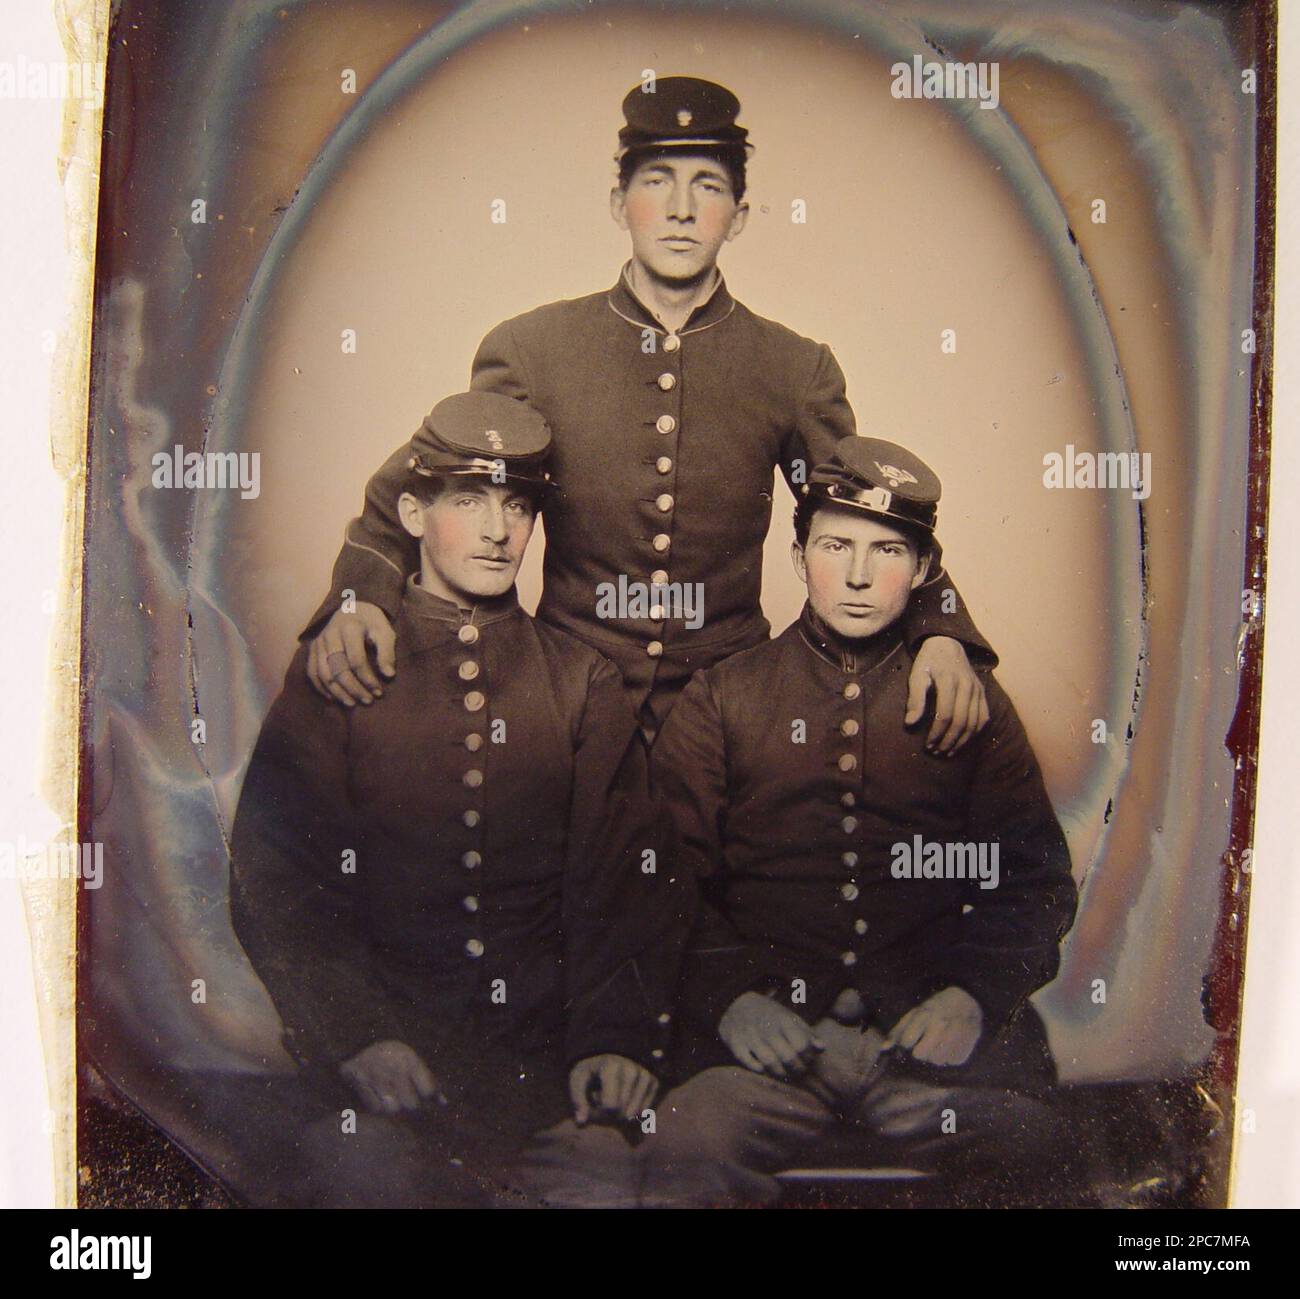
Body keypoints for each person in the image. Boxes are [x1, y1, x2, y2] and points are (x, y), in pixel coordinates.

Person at [303, 76, 992, 745]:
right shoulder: (532, 350)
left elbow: (870, 508)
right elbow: (420, 480)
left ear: (740, 216)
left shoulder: (794, 367)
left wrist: (940, 631)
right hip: (567, 697)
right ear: (618, 202)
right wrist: (360, 595)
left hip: (727, 711)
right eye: (657, 181)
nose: (681, 210)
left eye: (709, 187)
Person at [227, 392, 685, 1207]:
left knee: (609, 1188)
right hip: (385, 1079)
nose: (496, 530)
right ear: (411, 510)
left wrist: (611, 1041)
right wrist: (359, 1037)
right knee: (358, 1176)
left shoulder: (580, 681)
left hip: (547, 1082)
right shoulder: (345, 665)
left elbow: (628, 886)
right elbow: (276, 879)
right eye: (468, 501)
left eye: (517, 506)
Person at [639, 436, 1079, 1207]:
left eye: (888, 549)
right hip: (764, 1049)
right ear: (798, 554)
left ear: (924, 569)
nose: (857, 573)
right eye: (835, 544)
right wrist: (732, 997)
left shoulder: (967, 697)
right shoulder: (723, 696)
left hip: (926, 1050)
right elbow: (663, 881)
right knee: (685, 1141)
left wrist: (972, 995)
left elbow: (1035, 880)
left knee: (1030, 1141)